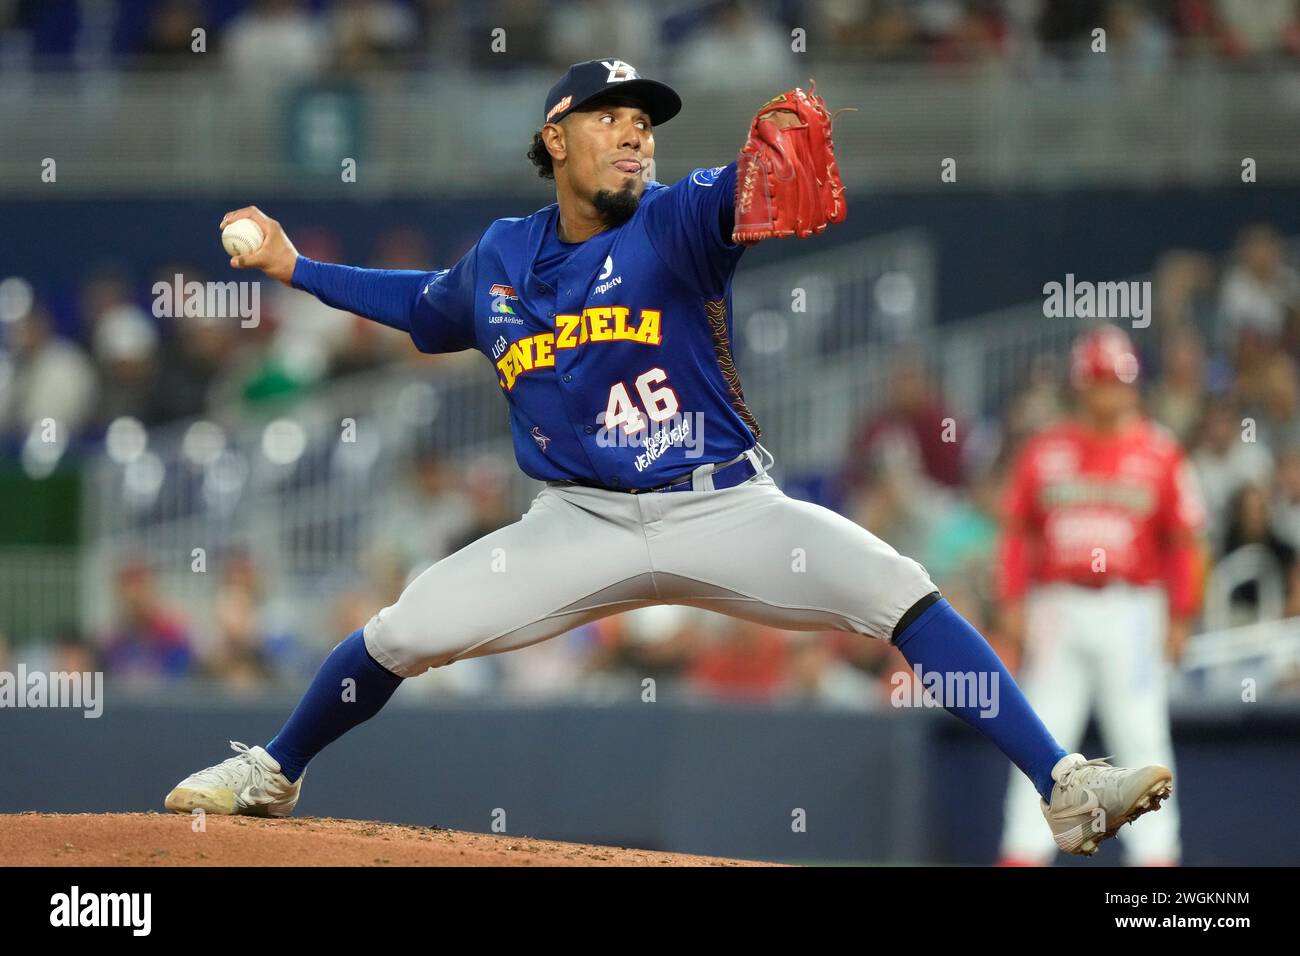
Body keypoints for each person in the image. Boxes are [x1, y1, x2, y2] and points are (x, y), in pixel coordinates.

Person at [164, 59, 1171, 857]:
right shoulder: (501, 260)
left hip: (722, 505)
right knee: (396, 631)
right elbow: (420, 302)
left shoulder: (678, 218)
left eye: (645, 117)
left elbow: (739, 195)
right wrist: (295, 267)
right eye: (611, 113)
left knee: (901, 590)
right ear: (555, 137)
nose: (636, 129)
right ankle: (275, 770)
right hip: (576, 521)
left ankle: (1064, 786)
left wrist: (759, 174)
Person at [996, 325, 1206, 866]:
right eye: (1103, 380)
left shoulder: (1159, 451)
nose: (1113, 391)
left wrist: (1182, 615)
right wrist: (1014, 601)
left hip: (1131, 607)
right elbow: (1017, 532)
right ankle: (1022, 853)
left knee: (1143, 742)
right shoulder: (1047, 450)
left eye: (1120, 382)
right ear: (1082, 384)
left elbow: (1186, 543)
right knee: (1040, 740)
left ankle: (1157, 864)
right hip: (1058, 606)